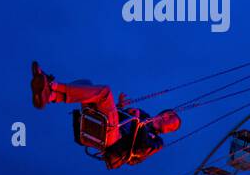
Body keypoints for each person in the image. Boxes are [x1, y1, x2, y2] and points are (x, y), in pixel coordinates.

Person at [31, 62, 181, 169]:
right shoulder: (143, 114)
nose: (168, 117)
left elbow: (141, 151)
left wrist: (139, 126)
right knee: (85, 83)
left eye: (171, 121)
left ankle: (54, 86)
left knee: (105, 92)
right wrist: (120, 107)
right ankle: (50, 96)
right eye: (169, 114)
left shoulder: (157, 142)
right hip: (105, 125)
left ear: (169, 130)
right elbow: (116, 115)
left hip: (115, 141)